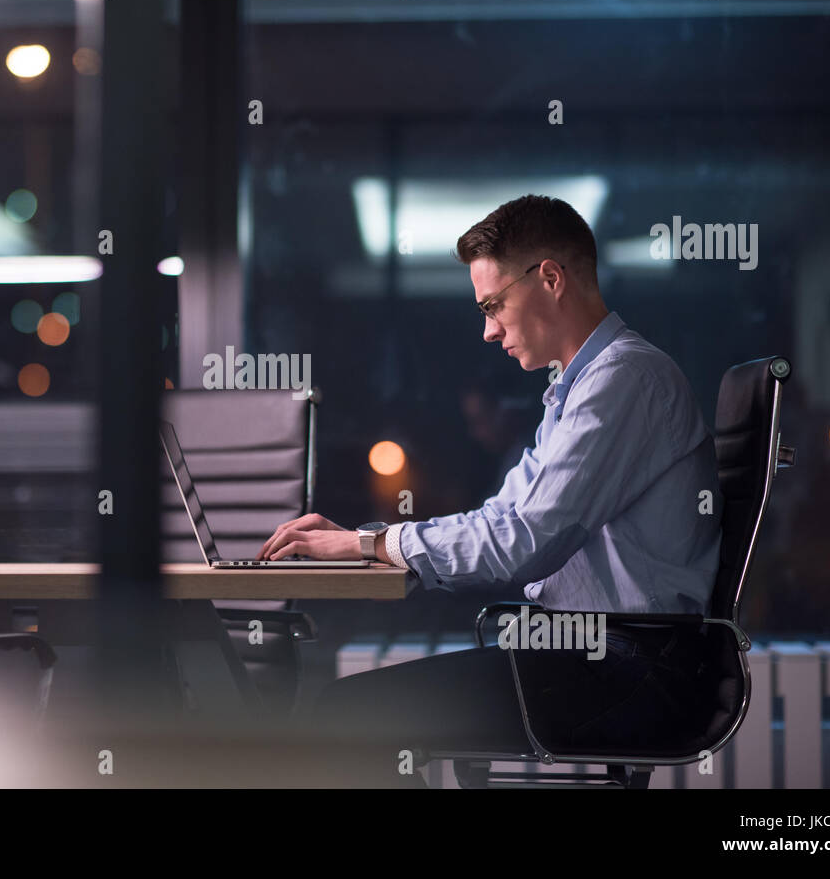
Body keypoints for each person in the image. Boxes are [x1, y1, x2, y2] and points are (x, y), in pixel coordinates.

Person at [257, 194, 722, 786]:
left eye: (494, 304)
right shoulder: (577, 391)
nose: (488, 330)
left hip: (628, 672)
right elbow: (503, 517)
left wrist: (364, 547)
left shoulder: (623, 381)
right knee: (351, 713)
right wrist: (366, 539)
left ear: (550, 278)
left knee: (346, 715)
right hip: (599, 659)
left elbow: (523, 542)